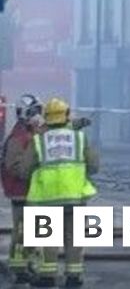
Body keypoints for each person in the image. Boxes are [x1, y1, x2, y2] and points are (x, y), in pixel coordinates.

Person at [21, 98, 99, 288]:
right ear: (67, 115)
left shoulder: (38, 140)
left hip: (47, 199)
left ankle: (48, 277)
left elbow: (24, 170)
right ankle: (73, 278)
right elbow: (94, 166)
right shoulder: (79, 138)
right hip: (75, 198)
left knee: (49, 238)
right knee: (74, 238)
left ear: (46, 117)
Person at [1, 95, 44, 284]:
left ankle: (26, 264)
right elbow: (13, 166)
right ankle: (19, 268)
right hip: (20, 191)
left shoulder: (27, 133)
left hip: (28, 191)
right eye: (35, 112)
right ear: (25, 113)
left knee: (31, 231)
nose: (38, 116)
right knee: (21, 231)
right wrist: (33, 171)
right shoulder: (18, 137)